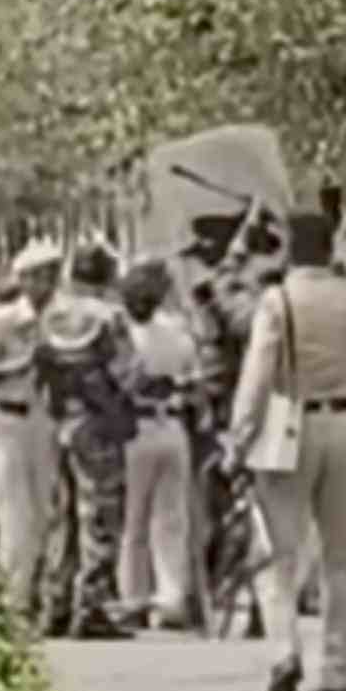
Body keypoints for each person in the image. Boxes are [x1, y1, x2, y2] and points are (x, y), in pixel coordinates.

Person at [222, 209, 346, 691]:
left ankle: (283, 651)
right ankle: (336, 674)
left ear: (288, 248)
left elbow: (257, 375)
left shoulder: (278, 300)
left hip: (287, 423)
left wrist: (237, 438)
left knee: (277, 552)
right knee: (342, 557)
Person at [35, 241, 139, 639]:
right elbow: (128, 372)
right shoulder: (109, 317)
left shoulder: (52, 313)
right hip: (100, 423)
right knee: (99, 513)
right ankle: (91, 607)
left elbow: (40, 365)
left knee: (63, 516)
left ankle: (55, 603)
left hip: (62, 420)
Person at [0, 234, 64, 620]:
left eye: (52, 274)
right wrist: (20, 364)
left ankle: (35, 595)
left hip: (42, 421)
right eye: (38, 275)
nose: (47, 283)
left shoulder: (62, 319)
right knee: (14, 516)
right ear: (23, 280)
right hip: (5, 418)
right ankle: (13, 600)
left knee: (44, 514)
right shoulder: (3, 322)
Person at [117, 258, 201, 631]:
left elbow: (191, 381)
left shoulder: (164, 332)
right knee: (145, 518)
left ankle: (161, 598)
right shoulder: (170, 331)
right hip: (146, 424)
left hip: (158, 421)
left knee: (159, 517)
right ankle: (145, 596)